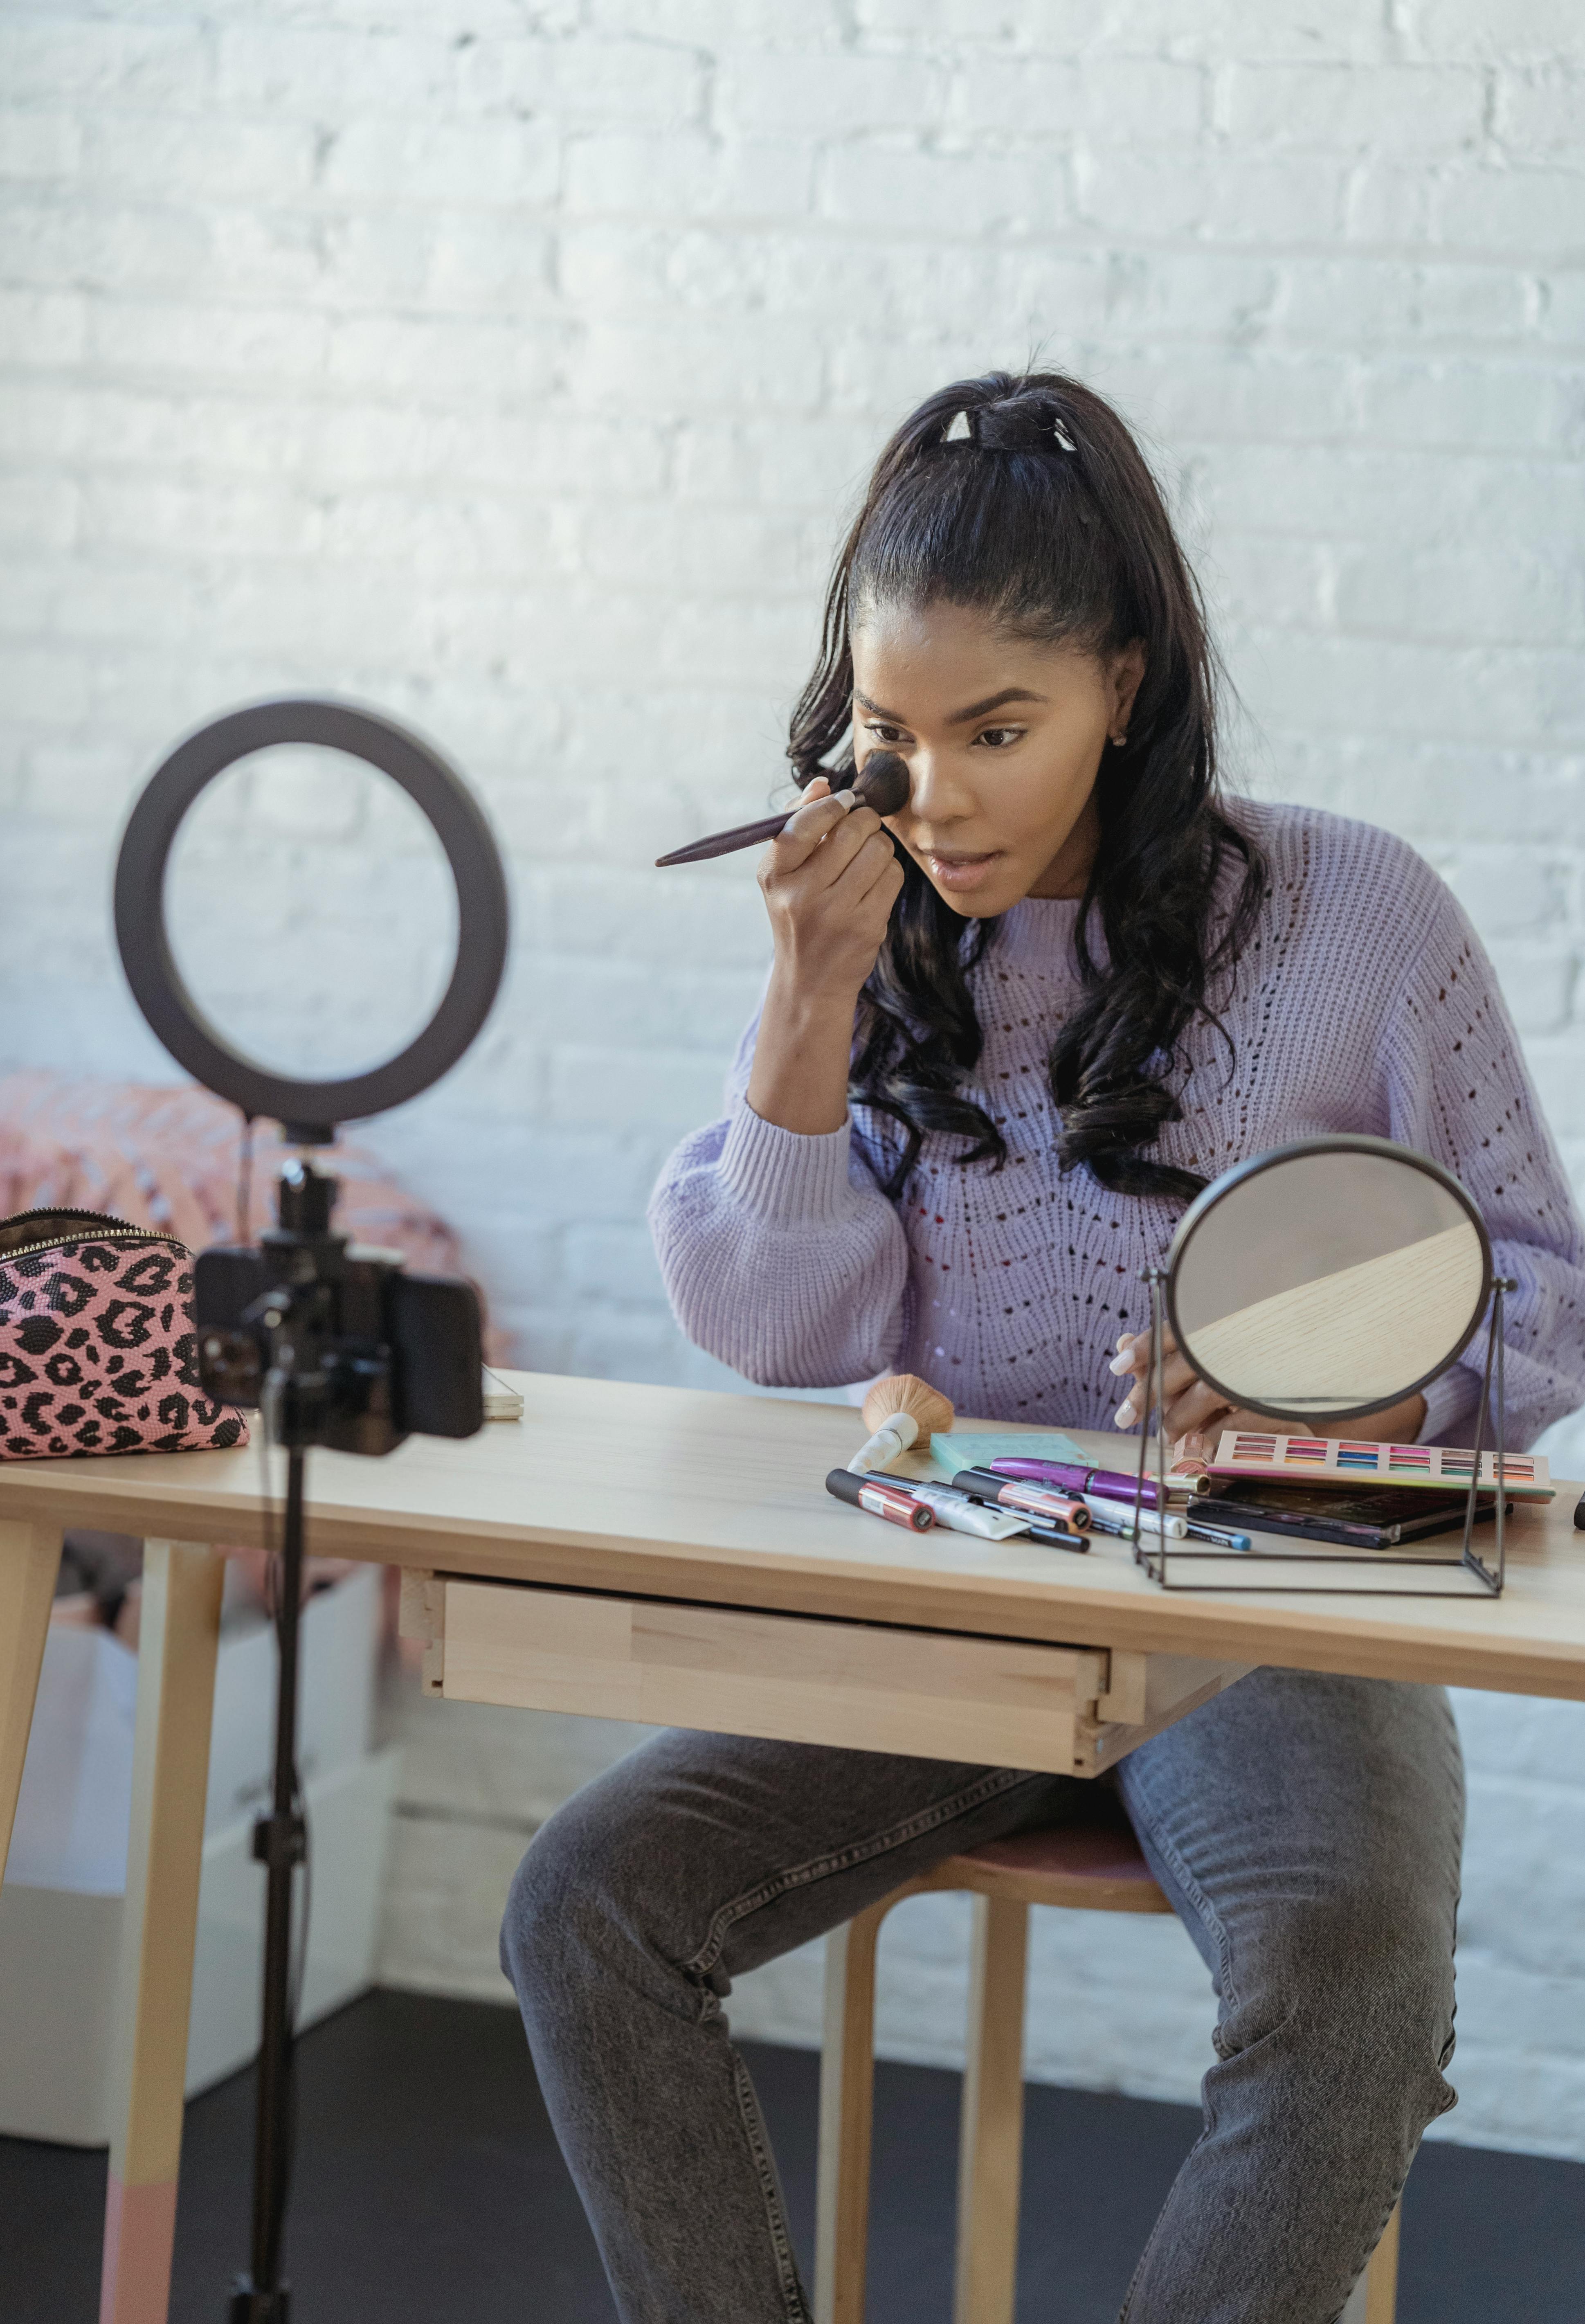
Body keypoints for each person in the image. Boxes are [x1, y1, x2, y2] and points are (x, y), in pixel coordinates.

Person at [502, 371, 1585, 2323]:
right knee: (586, 1902)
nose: (942, 794)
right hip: (962, 1593)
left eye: (1000, 731)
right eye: (896, 734)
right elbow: (769, 1323)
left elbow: (1541, 1287)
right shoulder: (869, 921)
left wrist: (1338, 1381)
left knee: (1354, 1982)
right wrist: (807, 994)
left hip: (1267, 1599)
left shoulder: (1355, 915)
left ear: (1126, 685)